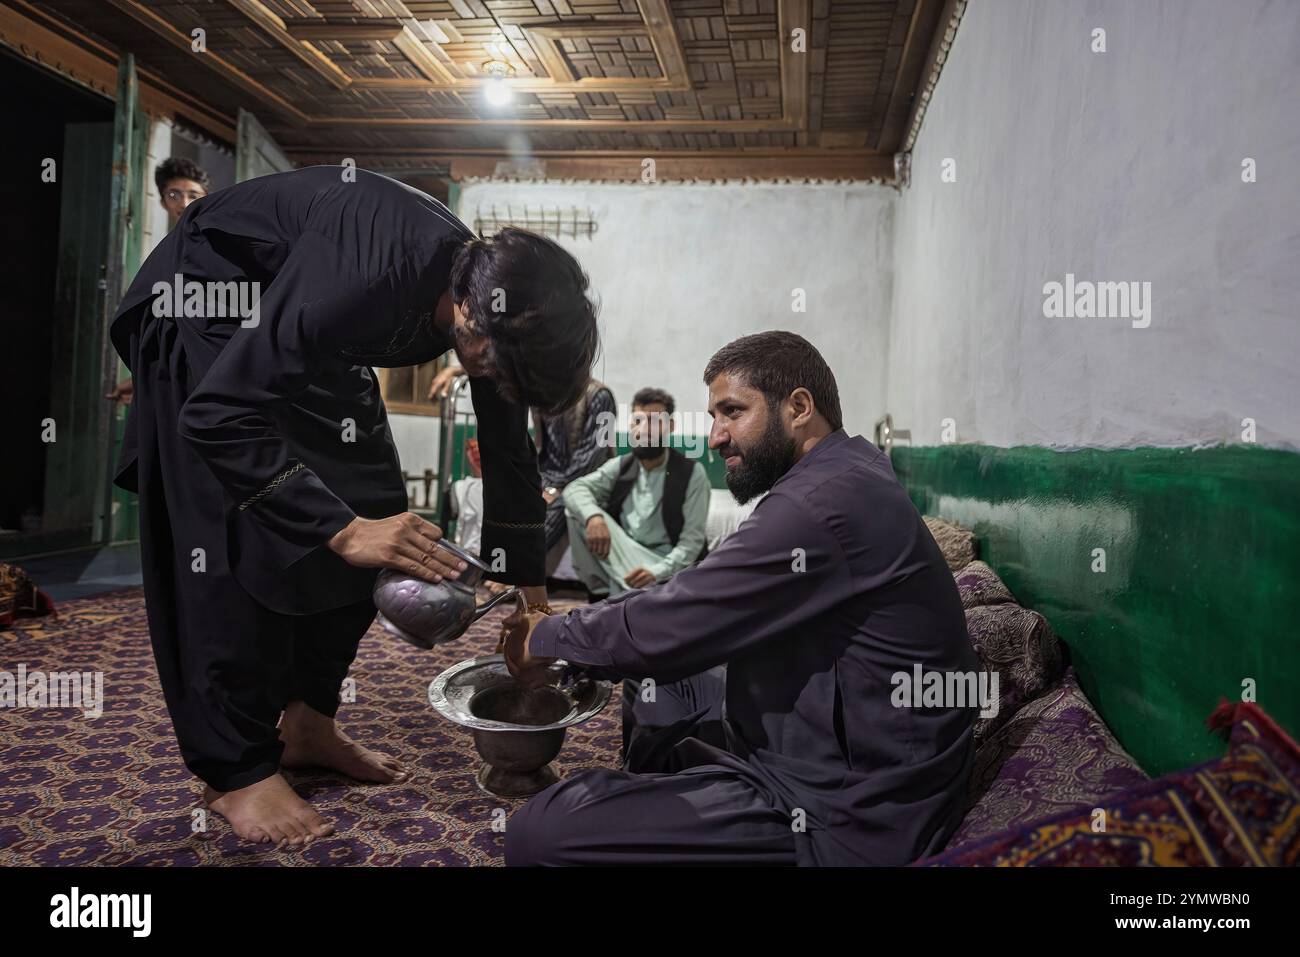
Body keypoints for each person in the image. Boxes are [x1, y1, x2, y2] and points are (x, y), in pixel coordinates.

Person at [110, 165, 599, 849]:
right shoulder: (370, 273)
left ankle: (308, 721)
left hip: (299, 326)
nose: (497, 384)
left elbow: (509, 451)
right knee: (232, 533)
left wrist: (532, 601)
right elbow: (218, 414)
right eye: (498, 372)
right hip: (209, 304)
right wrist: (339, 530)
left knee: (380, 508)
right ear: (470, 317)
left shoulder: (492, 310)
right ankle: (234, 771)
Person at [502, 332, 979, 866]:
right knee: (657, 678)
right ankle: (666, 816)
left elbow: (683, 611)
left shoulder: (821, 504)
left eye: (732, 412)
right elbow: (701, 591)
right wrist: (583, 622)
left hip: (843, 809)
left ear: (798, 408)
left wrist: (546, 637)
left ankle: (667, 819)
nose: (716, 438)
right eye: (712, 417)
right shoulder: (846, 471)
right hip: (808, 732)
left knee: (539, 833)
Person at [562, 387, 709, 596]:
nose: (644, 430)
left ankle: (622, 595)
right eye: (638, 421)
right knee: (576, 512)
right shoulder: (622, 465)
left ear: (671, 427)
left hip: (664, 564)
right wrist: (594, 518)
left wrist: (656, 572)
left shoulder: (692, 473)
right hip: (626, 557)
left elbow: (691, 543)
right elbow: (574, 489)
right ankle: (608, 593)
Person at [106, 158, 212, 407]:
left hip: (205, 370)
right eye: (174, 194)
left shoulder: (213, 243)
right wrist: (145, 378)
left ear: (207, 197)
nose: (184, 203)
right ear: (163, 200)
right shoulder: (169, 249)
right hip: (176, 372)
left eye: (193, 194)